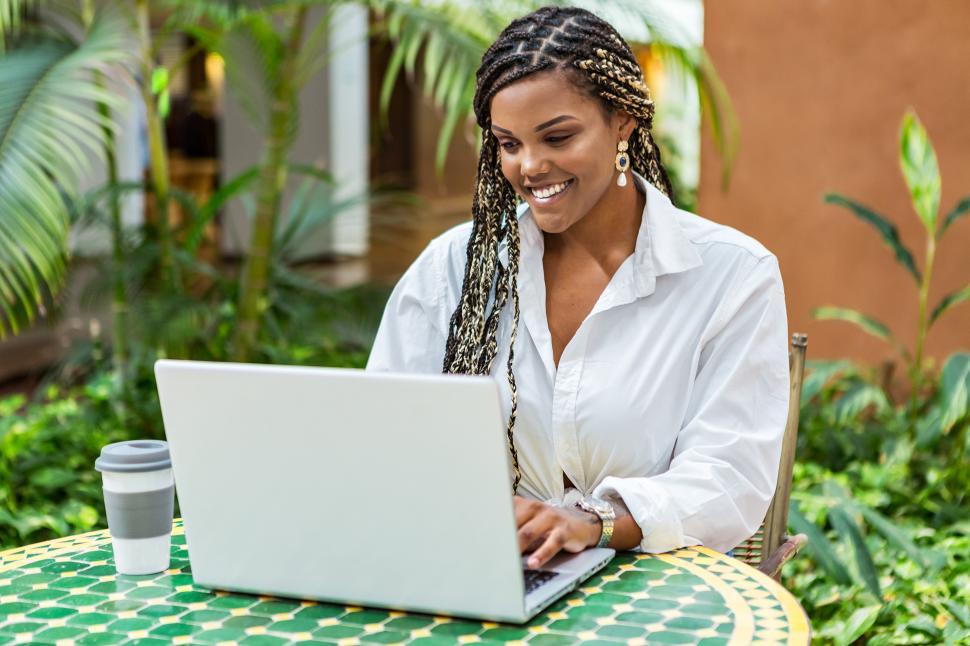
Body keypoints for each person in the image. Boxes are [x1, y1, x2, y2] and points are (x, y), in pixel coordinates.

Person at [366, 5, 789, 570]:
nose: (530, 165)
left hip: (658, 587)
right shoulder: (454, 269)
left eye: (557, 137)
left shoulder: (730, 275)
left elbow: (729, 477)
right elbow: (387, 438)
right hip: (486, 576)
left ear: (623, 121)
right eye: (508, 143)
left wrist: (594, 523)